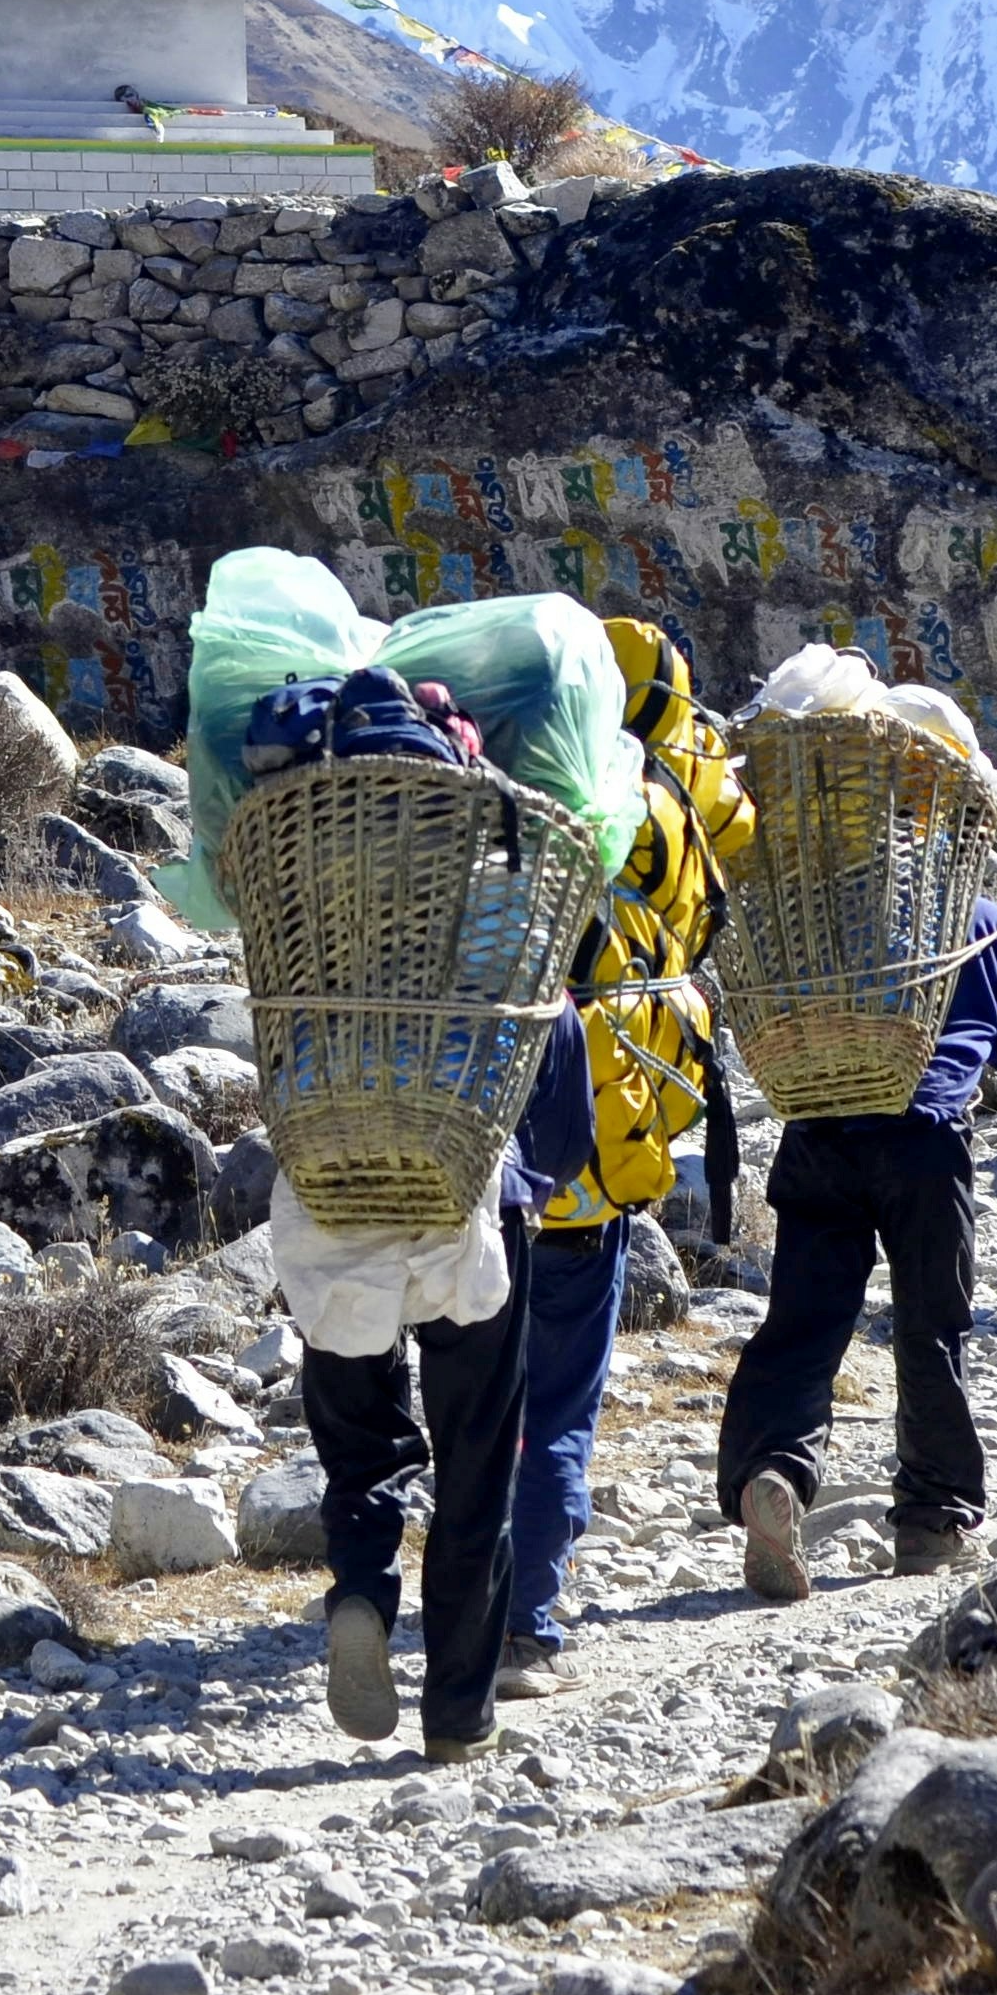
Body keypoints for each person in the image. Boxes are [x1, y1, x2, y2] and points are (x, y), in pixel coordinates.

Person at [499, 619, 748, 1700]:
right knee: (558, 1403)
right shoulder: (654, 804)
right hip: (590, 1172)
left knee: (475, 1403)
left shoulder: (481, 791)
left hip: (471, 1168)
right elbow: (702, 922)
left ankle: (448, 1597)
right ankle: (527, 1626)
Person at [716, 891, 997, 1597]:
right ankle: (929, 1525)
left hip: (817, 1134)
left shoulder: (809, 908)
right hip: (925, 1143)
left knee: (804, 1327)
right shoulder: (975, 919)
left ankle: (774, 1472)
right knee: (928, 1326)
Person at [300, 1003, 590, 1761]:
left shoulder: (319, 975)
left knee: (361, 1442)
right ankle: (460, 1715)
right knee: (478, 1465)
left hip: (336, 1217)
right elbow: (565, 1139)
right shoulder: (524, 969)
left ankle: (362, 1588)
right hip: (475, 1227)